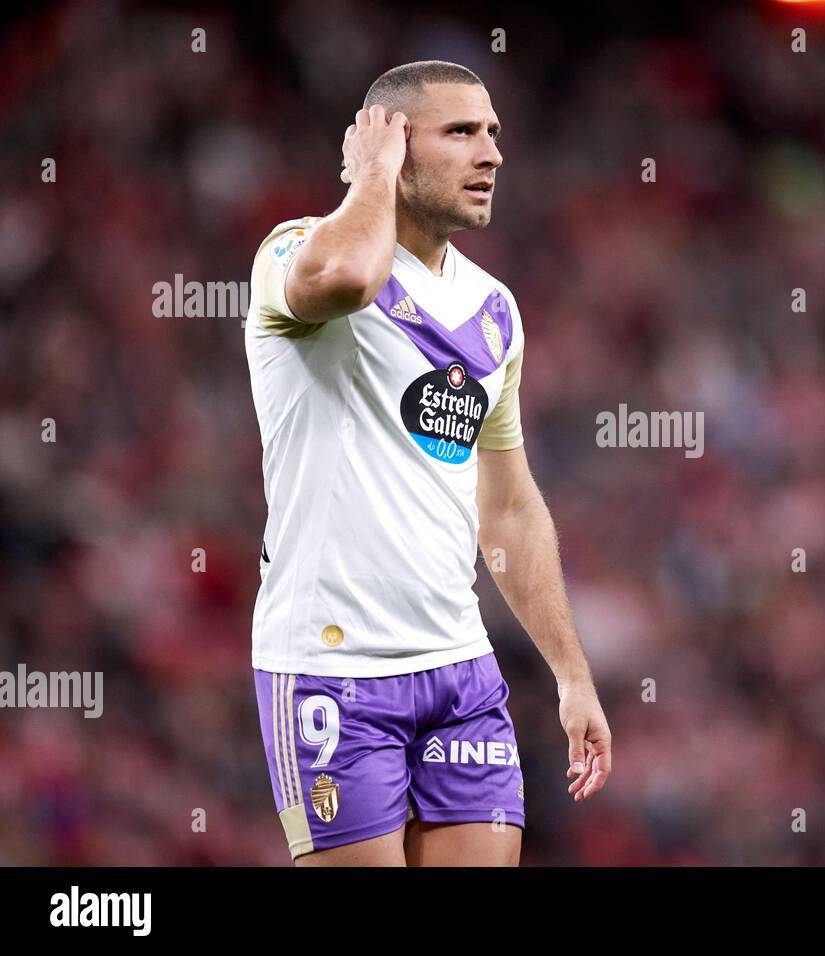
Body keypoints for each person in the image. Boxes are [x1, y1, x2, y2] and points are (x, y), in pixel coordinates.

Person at [243, 60, 611, 866]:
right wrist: (372, 176)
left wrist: (571, 674)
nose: (492, 155)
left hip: (458, 672)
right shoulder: (296, 251)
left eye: (493, 134)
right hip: (332, 671)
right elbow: (345, 277)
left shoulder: (495, 309)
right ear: (395, 144)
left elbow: (508, 506)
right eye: (461, 133)